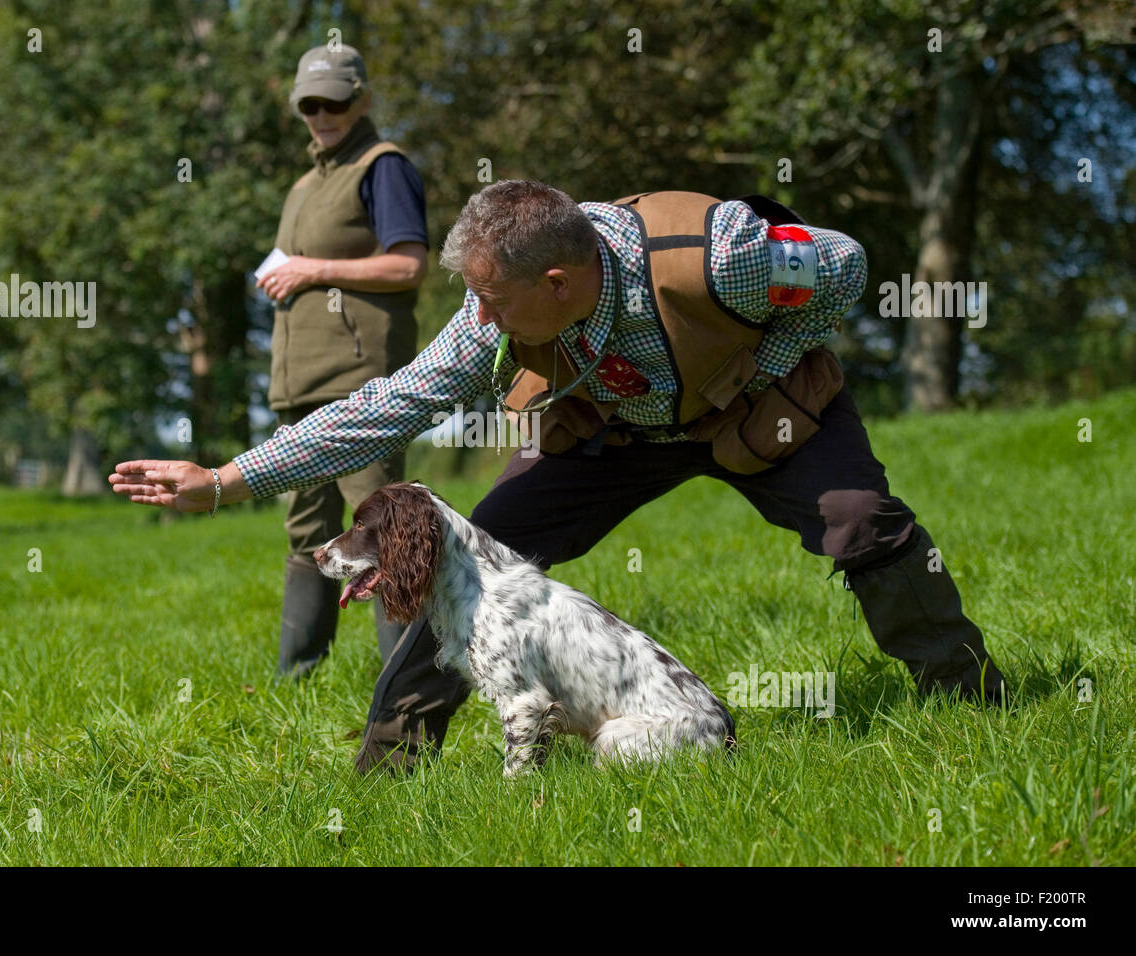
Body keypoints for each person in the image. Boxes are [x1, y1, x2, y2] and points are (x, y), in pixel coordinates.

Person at [111, 180, 1006, 773]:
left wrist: (762, 363)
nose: (479, 316)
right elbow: (386, 407)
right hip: (611, 431)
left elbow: (845, 263)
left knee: (863, 522)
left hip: (757, 412)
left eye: (493, 299)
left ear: (558, 280)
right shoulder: (491, 315)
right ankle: (390, 772)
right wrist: (226, 478)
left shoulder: (725, 254)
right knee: (468, 563)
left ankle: (970, 709)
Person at [255, 43, 429, 677]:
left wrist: (312, 268)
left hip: (360, 382)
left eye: (335, 101)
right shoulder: (304, 183)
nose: (322, 114)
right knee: (307, 528)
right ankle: (295, 678)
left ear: (362, 99)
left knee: (382, 533)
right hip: (299, 384)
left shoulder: (383, 167)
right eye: (310, 104)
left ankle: (406, 697)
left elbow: (410, 265)